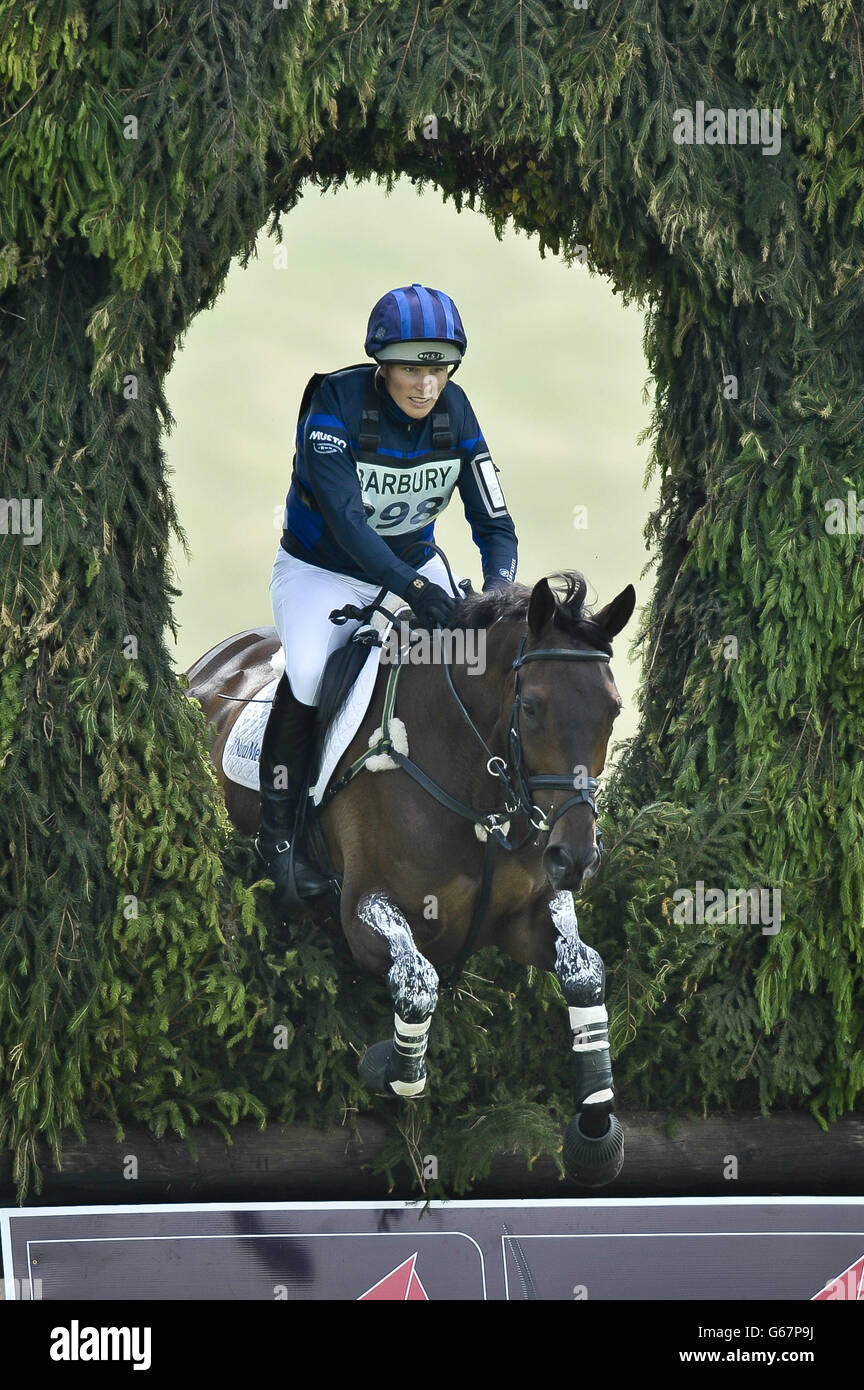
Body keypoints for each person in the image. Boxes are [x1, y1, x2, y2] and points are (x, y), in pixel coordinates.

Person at [255, 282, 518, 906]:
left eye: (438, 367)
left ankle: (493, 811)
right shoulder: (333, 405)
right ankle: (278, 838)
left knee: (476, 662)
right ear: (380, 363)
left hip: (415, 567)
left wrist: (499, 596)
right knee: (314, 672)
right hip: (320, 569)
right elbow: (348, 525)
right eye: (409, 367)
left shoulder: (458, 412)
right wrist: (414, 588)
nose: (426, 386)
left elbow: (495, 525)